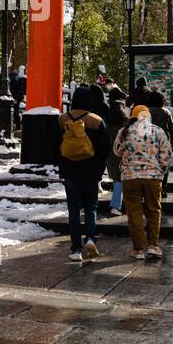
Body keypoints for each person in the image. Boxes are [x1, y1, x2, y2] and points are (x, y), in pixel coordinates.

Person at [113, 104, 172, 260]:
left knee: (134, 213)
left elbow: (117, 151)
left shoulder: (124, 132)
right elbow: (166, 154)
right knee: (153, 210)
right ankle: (153, 245)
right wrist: (161, 169)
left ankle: (138, 249)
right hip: (153, 178)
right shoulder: (158, 131)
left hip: (131, 178)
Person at [58, 87, 110, 262]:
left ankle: (75, 249)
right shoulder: (96, 120)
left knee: (73, 211)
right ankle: (90, 238)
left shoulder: (62, 119)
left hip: (70, 171)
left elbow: (53, 147)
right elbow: (105, 150)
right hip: (90, 172)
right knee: (91, 208)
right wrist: (99, 169)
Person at [103, 93, 129, 215]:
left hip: (109, 154)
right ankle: (115, 206)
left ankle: (117, 203)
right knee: (120, 180)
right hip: (122, 154)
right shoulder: (126, 123)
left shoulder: (106, 122)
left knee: (116, 179)